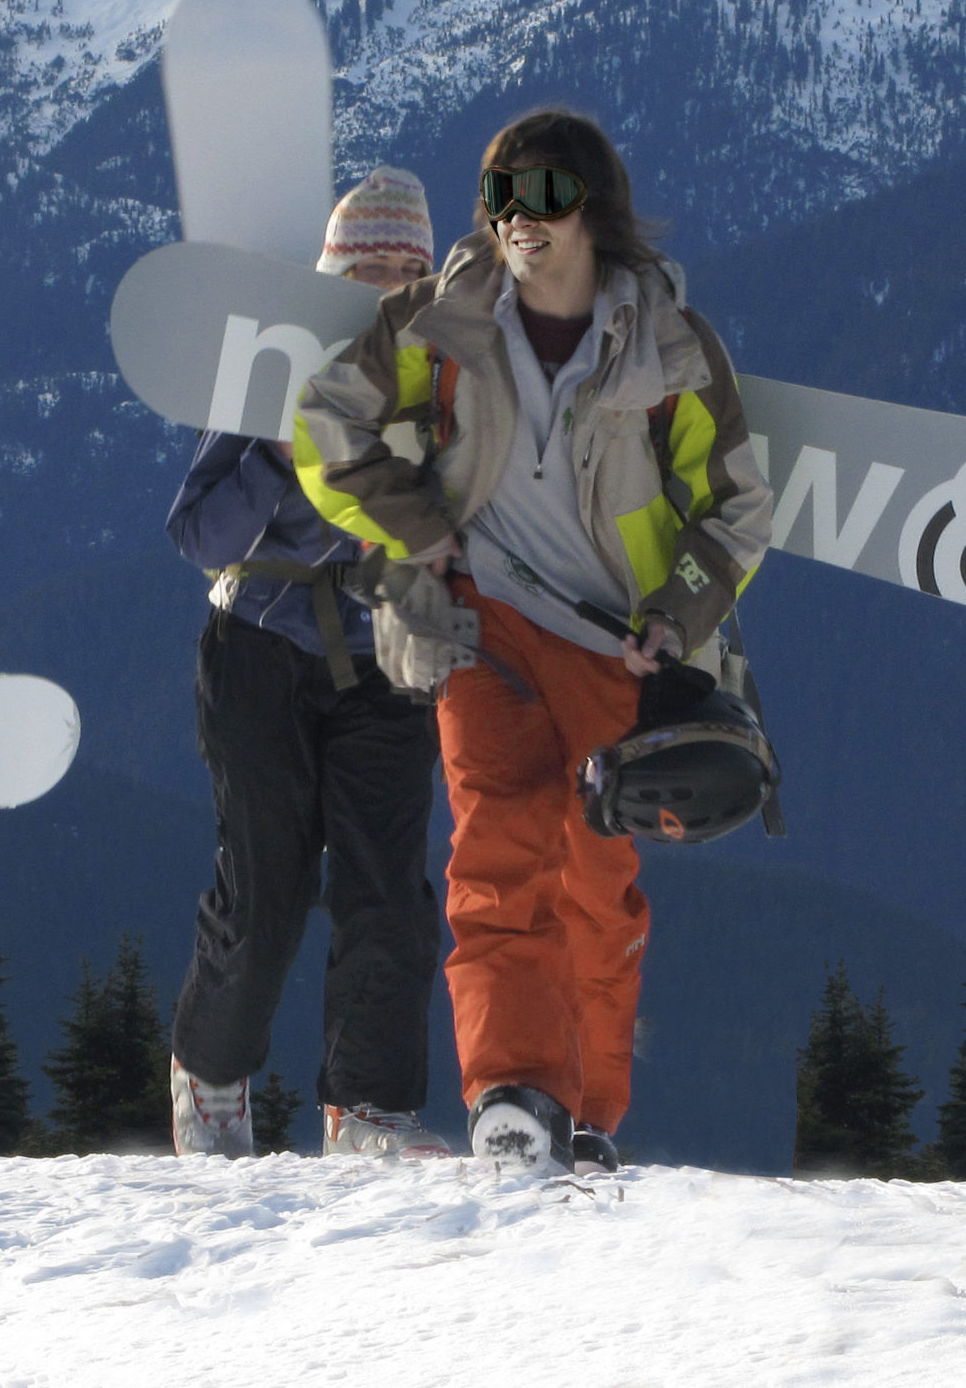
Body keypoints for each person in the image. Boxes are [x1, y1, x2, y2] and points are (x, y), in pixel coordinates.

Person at [295, 111, 773, 1173]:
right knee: (497, 851)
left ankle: (591, 1111)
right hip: (487, 629)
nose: (521, 220)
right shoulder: (444, 321)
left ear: (594, 210)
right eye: (500, 195)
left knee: (596, 890)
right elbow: (327, 430)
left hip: (618, 650)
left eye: (546, 197)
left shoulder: (675, 355)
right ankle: (513, 1096)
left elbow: (736, 509)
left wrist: (674, 616)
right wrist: (419, 532)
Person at [165, 166, 451, 1160]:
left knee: (387, 889)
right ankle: (211, 1079)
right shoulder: (267, 373)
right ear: (328, 271)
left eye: (403, 269)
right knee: (267, 885)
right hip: (258, 642)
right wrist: (287, 456)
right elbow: (198, 530)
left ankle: (367, 1106)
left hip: (388, 648)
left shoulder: (441, 375)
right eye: (363, 267)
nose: (380, 286)